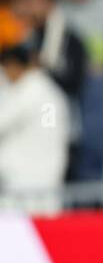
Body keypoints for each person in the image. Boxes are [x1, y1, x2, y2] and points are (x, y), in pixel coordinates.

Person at [0, 41, 69, 212]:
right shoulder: (49, 91)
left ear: (13, 66)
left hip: (23, 181)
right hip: (47, 176)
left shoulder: (31, 89)